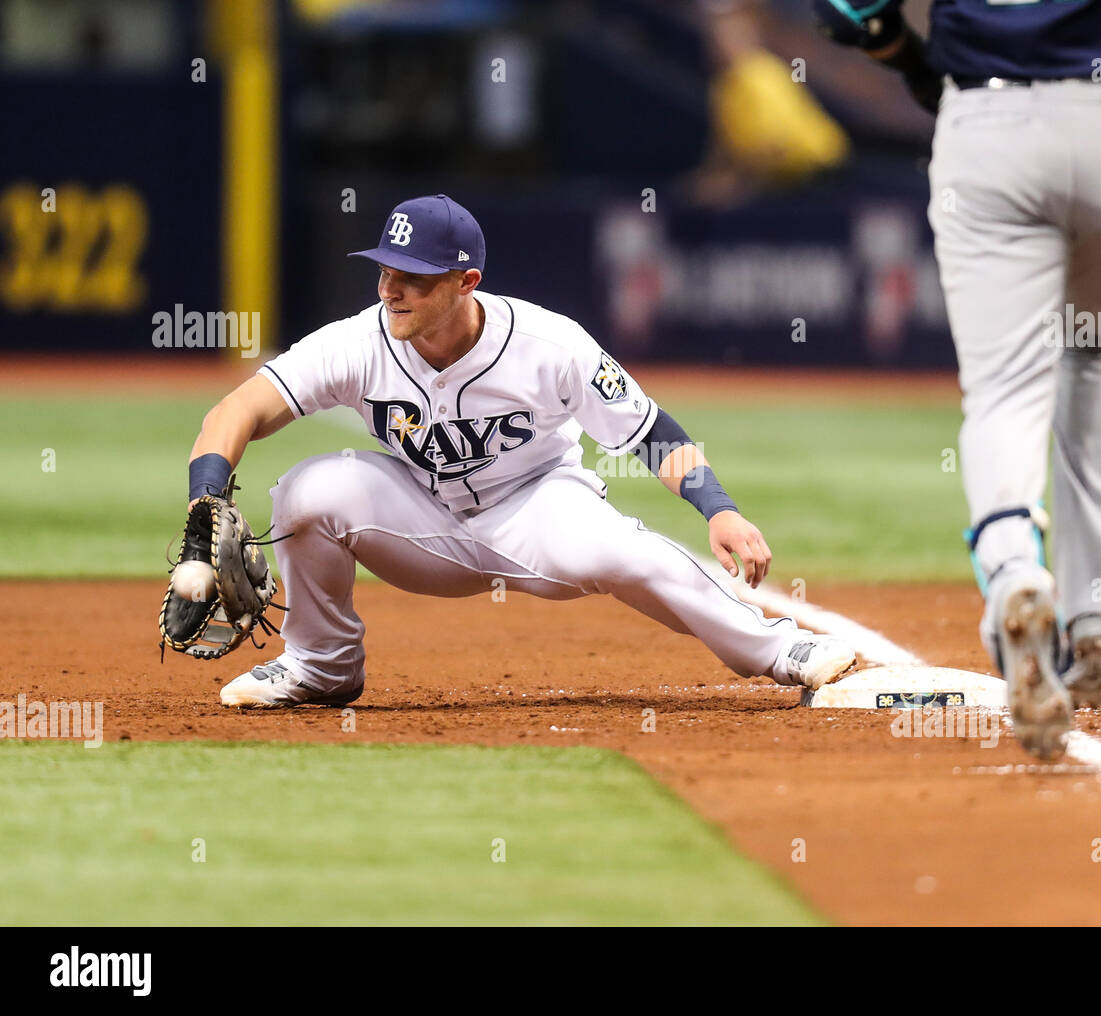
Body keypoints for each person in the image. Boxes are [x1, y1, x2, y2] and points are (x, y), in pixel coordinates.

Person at [813, 0, 1101, 757]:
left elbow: (846, 9)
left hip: (990, 123)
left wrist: (910, 60)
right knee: (1098, 351)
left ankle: (1014, 569)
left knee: (1004, 383)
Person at [188, 194, 857, 707]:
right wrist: (205, 506)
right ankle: (320, 667)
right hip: (422, 521)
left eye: (413, 278)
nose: (391, 290)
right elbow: (237, 409)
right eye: (385, 272)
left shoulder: (549, 343)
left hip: (538, 510)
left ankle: (778, 651)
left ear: (465, 281)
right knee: (307, 493)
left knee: (617, 552)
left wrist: (719, 509)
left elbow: (648, 431)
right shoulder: (357, 342)